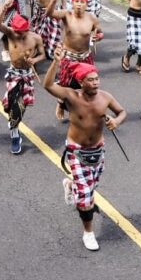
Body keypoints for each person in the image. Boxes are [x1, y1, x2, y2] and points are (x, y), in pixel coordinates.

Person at [43, 49, 127, 251]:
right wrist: (55, 62)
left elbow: (122, 111)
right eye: (91, 80)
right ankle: (88, 233)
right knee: (86, 198)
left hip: (98, 149)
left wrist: (116, 121)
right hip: (76, 150)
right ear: (81, 82)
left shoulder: (105, 97)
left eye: (97, 79)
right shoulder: (71, 96)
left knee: (91, 186)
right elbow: (47, 85)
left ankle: (72, 186)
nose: (96, 83)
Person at [0, 6, 46, 155]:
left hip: (27, 75)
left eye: (21, 31)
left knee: (20, 106)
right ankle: (14, 124)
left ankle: (15, 135)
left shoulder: (36, 38)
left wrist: (34, 59)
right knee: (10, 106)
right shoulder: (11, 33)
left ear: (27, 28)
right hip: (14, 73)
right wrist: (4, 9)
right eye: (16, 30)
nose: (18, 33)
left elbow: (43, 54)